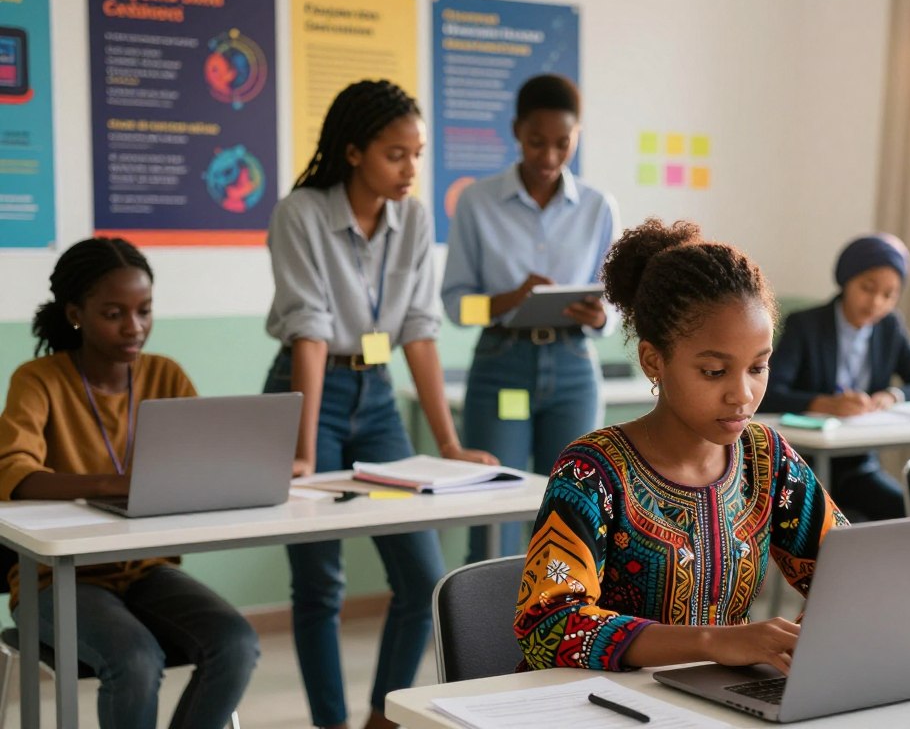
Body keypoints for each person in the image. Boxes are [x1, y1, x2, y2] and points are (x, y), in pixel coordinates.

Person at [514, 218, 848, 672]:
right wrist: (712, 642)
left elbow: (852, 573)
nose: (742, 394)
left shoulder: (766, 459)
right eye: (714, 371)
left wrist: (805, 638)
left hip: (719, 702)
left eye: (758, 367)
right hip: (601, 707)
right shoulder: (592, 470)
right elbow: (548, 627)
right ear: (655, 361)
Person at [263, 79, 495, 729]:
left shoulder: (415, 219)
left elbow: (419, 331)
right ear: (355, 150)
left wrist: (446, 445)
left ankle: (383, 719)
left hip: (377, 397)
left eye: (417, 153)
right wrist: (305, 449)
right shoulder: (301, 213)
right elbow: (308, 334)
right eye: (397, 154)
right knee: (319, 585)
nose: (411, 169)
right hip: (306, 391)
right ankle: (331, 722)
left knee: (423, 580)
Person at [0, 237, 258, 728]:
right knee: (136, 660)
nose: (134, 327)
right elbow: (12, 473)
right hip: (56, 579)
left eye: (144, 310)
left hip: (144, 569)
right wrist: (114, 486)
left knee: (237, 642)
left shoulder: (165, 375)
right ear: (76, 313)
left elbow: (199, 466)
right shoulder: (38, 380)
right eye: (114, 313)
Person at [440, 73, 618, 561]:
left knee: (575, 510)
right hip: (504, 366)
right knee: (495, 504)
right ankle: (483, 633)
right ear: (516, 131)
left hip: (573, 367)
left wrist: (598, 316)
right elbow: (457, 306)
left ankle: (564, 626)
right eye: (537, 142)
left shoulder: (599, 207)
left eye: (563, 144)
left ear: (576, 137)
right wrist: (511, 297)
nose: (549, 157)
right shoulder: (477, 203)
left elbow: (618, 309)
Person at [761, 233, 910, 520]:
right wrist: (825, 403)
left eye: (888, 295)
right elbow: (768, 393)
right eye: (867, 288)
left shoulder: (889, 328)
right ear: (846, 279)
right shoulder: (806, 325)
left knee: (908, 513)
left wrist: (892, 395)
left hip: (858, 468)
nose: (875, 303)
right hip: (802, 467)